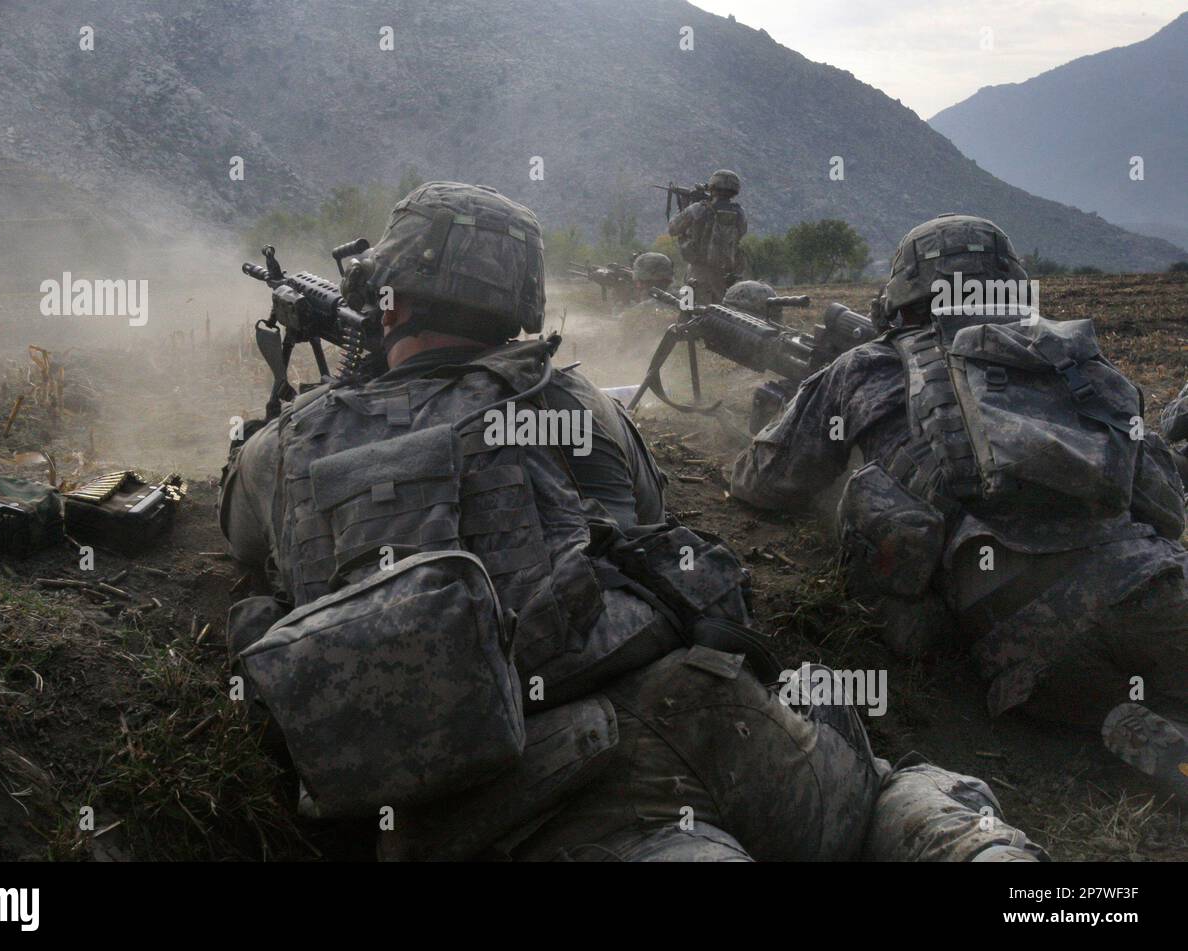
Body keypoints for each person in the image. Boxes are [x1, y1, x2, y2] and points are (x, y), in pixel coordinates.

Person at [220, 188, 1045, 861]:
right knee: (877, 798)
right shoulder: (576, 402)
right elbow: (641, 520)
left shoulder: (289, 445)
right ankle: (978, 852)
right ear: (517, 299)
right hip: (722, 714)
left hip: (532, 793)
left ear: (386, 297)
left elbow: (244, 542)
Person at [730, 213, 1188, 793]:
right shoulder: (1081, 364)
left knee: (1085, 690)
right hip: (1158, 586)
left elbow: (762, 482)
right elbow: (1167, 511)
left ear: (905, 291)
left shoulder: (867, 364)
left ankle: (1122, 721)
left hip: (1029, 643)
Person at [667, 169, 747, 305]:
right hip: (725, 275)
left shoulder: (698, 208)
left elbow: (673, 228)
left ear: (712, 187)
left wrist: (686, 205)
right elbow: (741, 234)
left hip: (697, 273)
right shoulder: (740, 213)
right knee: (721, 315)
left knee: (688, 312)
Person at [615, 251, 677, 328]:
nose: (638, 286)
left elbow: (620, 323)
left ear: (658, 280)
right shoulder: (681, 298)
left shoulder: (650, 307)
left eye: (643, 282)